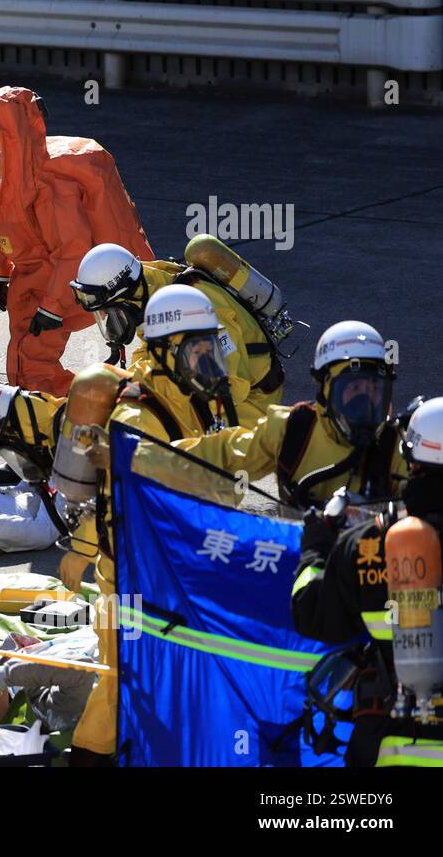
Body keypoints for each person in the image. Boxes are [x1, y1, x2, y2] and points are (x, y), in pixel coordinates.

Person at [58, 285, 236, 765]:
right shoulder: (138, 419)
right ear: (165, 350)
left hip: (171, 567)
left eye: (209, 347)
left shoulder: (191, 396)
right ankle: (88, 758)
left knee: (162, 673)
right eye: (197, 350)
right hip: (132, 579)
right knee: (121, 677)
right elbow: (123, 506)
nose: (207, 360)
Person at [0, 86, 152, 396]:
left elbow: (73, 255)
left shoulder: (51, 187)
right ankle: (38, 419)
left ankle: (87, 407)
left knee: (34, 364)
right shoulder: (12, 180)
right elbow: (11, 224)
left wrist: (52, 310)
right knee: (22, 362)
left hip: (60, 286)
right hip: (30, 279)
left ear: (11, 137)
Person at [292, 396, 443, 766]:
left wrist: (316, 545)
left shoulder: (368, 543)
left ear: (411, 463)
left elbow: (312, 615)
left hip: (392, 744)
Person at [176, 320, 407, 509]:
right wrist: (143, 456)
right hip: (295, 556)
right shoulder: (292, 429)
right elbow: (224, 454)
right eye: (354, 388)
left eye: (375, 389)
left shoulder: (397, 447)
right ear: (326, 388)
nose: (364, 403)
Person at [70, 237, 286, 426]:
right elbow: (153, 354)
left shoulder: (194, 304)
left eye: (113, 313)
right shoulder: (149, 291)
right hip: (221, 395)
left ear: (128, 296)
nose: (112, 325)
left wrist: (157, 394)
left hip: (251, 403)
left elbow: (229, 387)